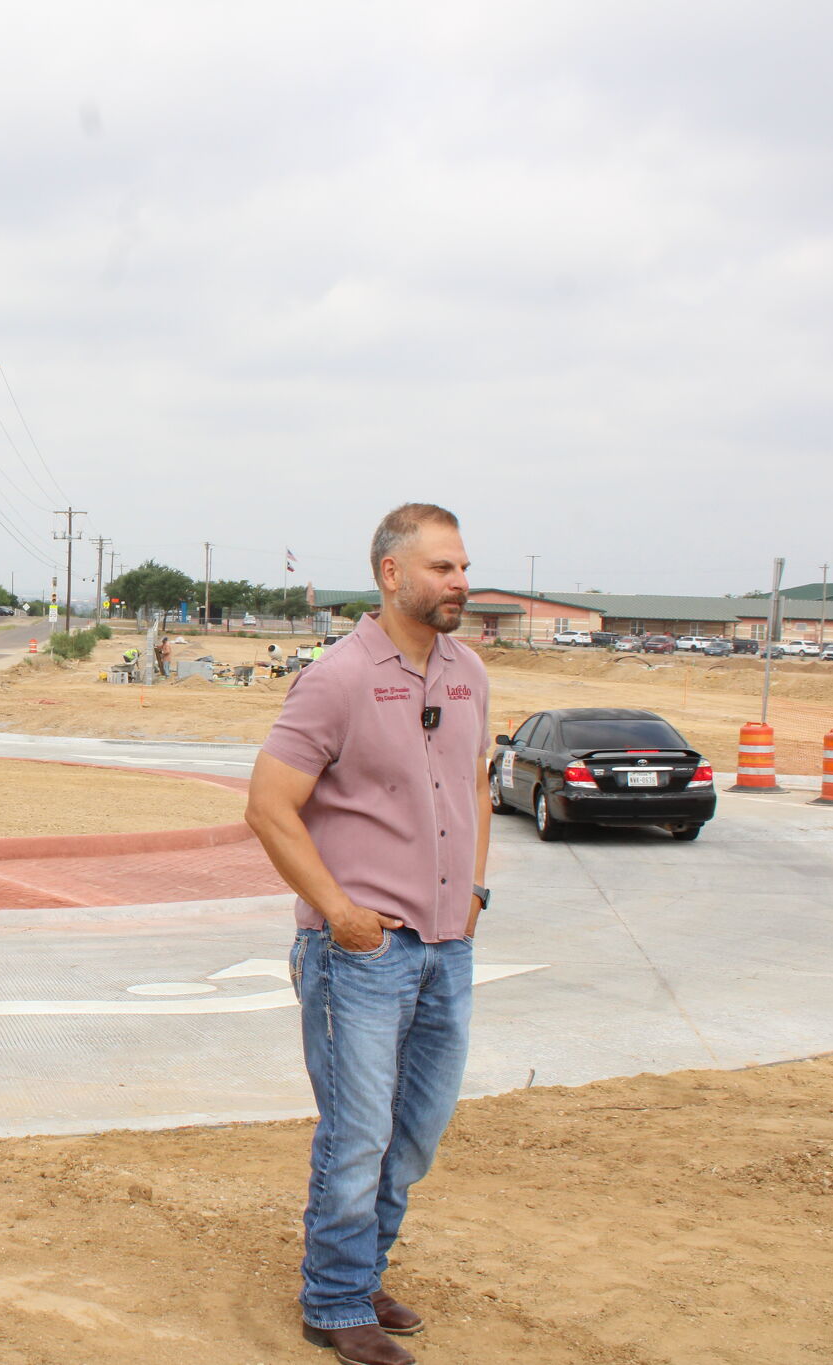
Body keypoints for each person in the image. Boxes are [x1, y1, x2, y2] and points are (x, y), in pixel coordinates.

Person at [243, 504, 491, 1365]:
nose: (460, 582)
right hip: (361, 953)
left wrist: (474, 895)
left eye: (462, 567)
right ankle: (335, 1297)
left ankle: (363, 1266)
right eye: (442, 568)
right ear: (392, 574)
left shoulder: (467, 673)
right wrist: (341, 915)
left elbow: (476, 786)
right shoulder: (337, 677)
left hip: (447, 946)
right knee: (358, 1132)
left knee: (416, 1128)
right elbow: (268, 806)